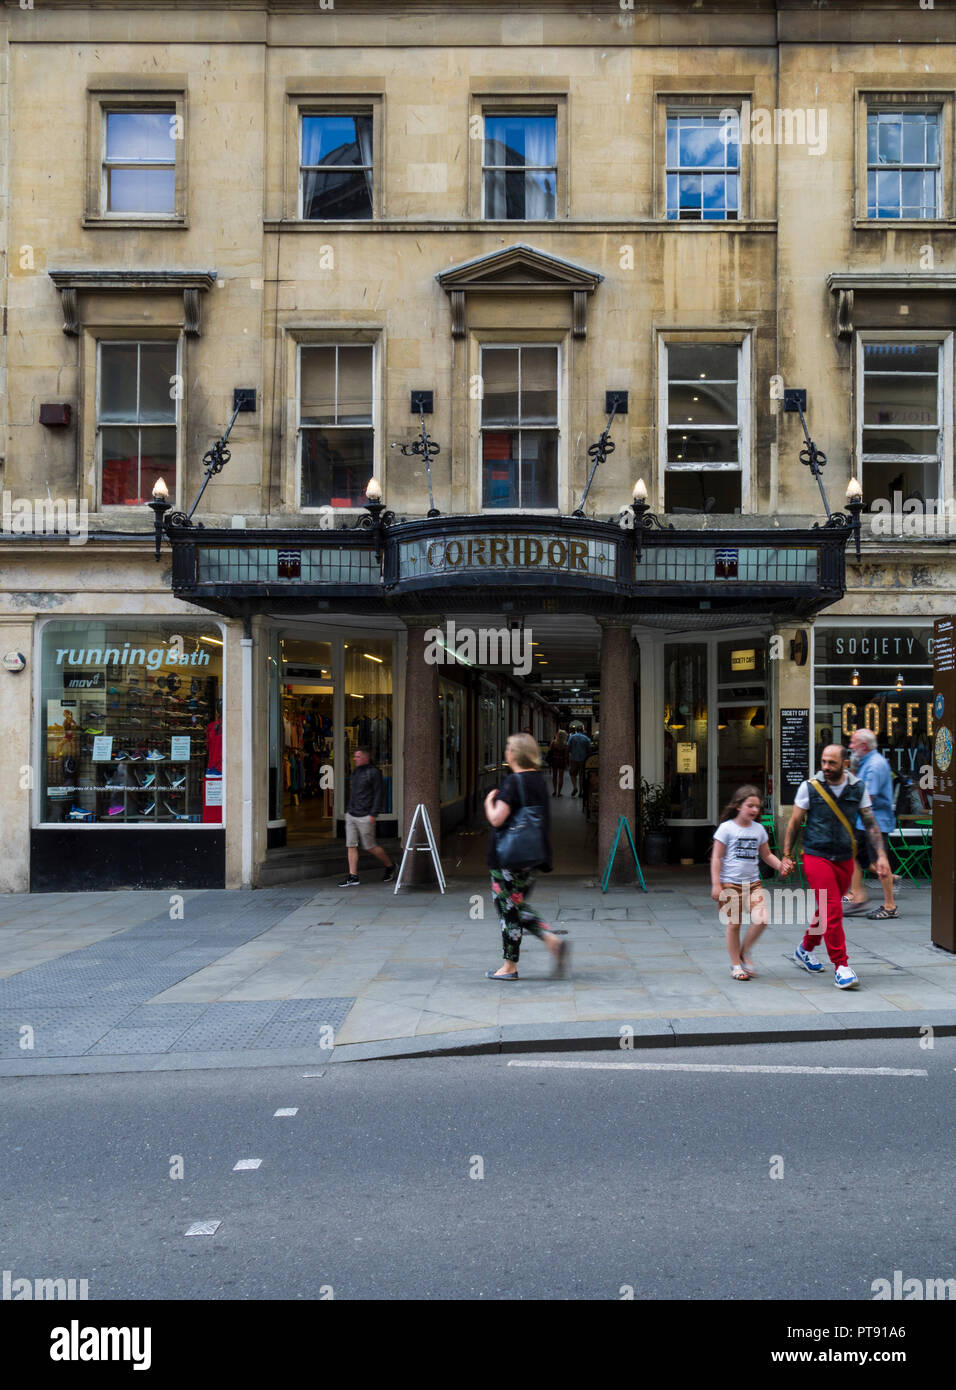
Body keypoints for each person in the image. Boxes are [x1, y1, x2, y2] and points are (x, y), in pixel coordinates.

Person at [781, 744, 891, 990]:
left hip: (844, 858)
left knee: (826, 910)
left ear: (845, 763)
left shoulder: (857, 787)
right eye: (823, 762)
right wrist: (786, 855)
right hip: (816, 855)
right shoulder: (810, 787)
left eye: (831, 762)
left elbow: (870, 823)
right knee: (832, 908)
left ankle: (805, 949)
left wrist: (881, 856)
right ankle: (841, 966)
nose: (826, 767)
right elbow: (795, 822)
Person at [484, 732, 568, 980]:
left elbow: (497, 819)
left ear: (513, 754)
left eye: (508, 748)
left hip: (507, 858)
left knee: (509, 910)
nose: (506, 752)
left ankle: (509, 966)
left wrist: (489, 802)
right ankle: (551, 939)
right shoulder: (539, 781)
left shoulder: (512, 782)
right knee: (516, 905)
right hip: (531, 856)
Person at [711, 785, 787, 979]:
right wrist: (716, 884)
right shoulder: (726, 828)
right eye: (750, 805)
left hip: (753, 884)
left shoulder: (759, 830)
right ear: (738, 806)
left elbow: (767, 855)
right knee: (734, 925)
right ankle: (736, 965)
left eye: (757, 807)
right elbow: (716, 858)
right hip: (730, 884)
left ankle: (744, 952)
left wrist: (780, 866)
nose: (754, 810)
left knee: (762, 919)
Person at [843, 727, 899, 919]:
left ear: (864, 746)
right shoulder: (866, 762)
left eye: (853, 743)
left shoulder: (875, 765)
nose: (851, 746)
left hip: (876, 822)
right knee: (853, 855)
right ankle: (858, 897)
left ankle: (890, 906)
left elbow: (868, 797)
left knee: (879, 862)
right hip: (863, 822)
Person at [339, 746, 396, 886]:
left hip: (365, 815)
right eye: (354, 756)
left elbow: (378, 794)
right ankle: (353, 876)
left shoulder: (374, 773)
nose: (354, 759)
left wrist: (373, 814)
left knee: (370, 846)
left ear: (366, 757)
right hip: (352, 814)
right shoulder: (356, 771)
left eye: (358, 756)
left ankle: (390, 866)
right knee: (351, 845)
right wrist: (349, 810)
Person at [567, 724, 592, 798]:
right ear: (583, 730)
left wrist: (571, 753)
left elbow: (568, 747)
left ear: (576, 730)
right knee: (581, 776)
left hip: (573, 758)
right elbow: (589, 749)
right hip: (583, 759)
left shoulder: (572, 737)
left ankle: (575, 787)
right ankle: (581, 791)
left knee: (572, 774)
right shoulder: (586, 739)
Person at [548, 728, 570, 796]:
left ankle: (554, 791)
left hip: (554, 760)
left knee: (554, 776)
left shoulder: (553, 743)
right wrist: (566, 764)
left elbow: (550, 751)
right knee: (561, 777)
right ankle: (559, 792)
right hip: (562, 761)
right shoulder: (565, 744)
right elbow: (566, 755)